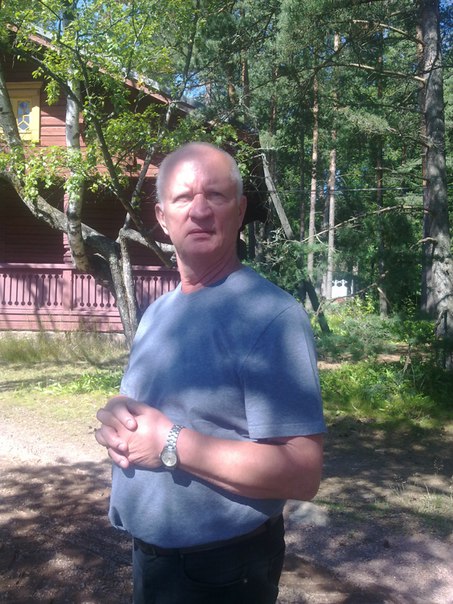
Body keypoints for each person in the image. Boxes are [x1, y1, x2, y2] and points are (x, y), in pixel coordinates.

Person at [95, 142, 326, 604]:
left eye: (216, 195)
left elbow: (303, 472)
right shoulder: (158, 313)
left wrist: (170, 443)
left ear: (239, 211)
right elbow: (155, 410)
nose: (199, 210)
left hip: (222, 572)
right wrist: (119, 416)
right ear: (162, 217)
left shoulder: (271, 315)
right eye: (183, 197)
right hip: (150, 559)